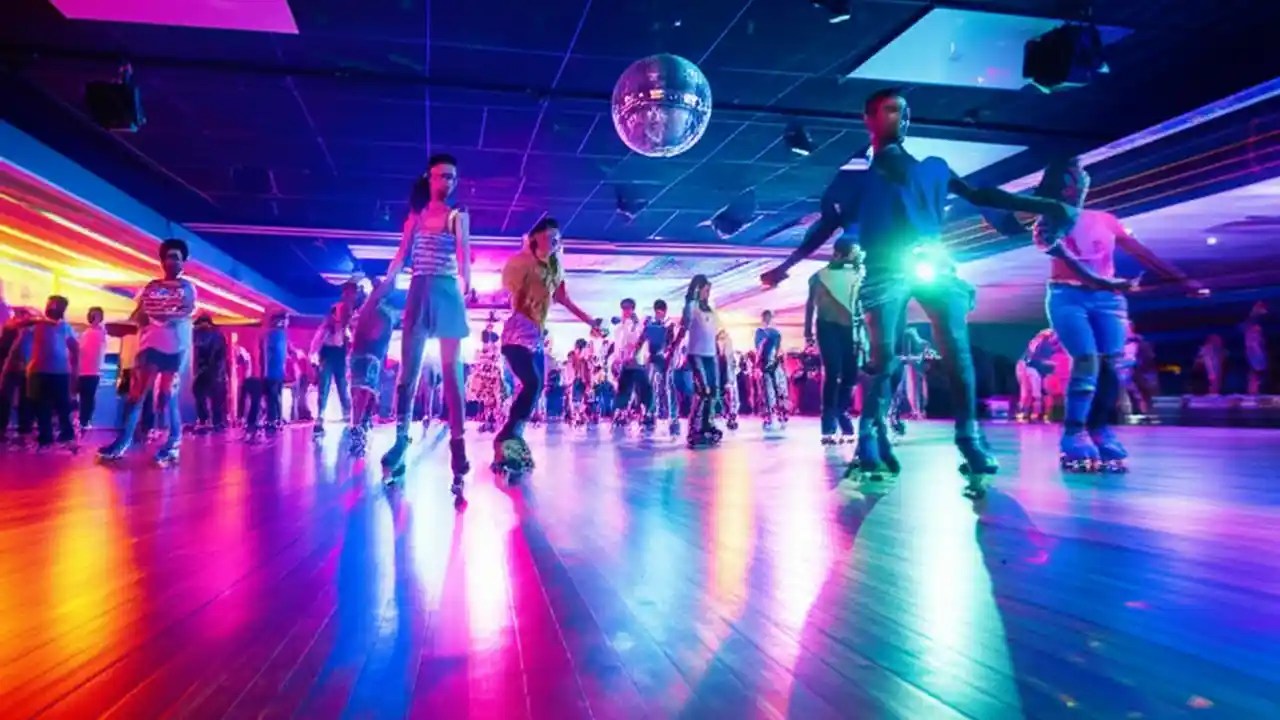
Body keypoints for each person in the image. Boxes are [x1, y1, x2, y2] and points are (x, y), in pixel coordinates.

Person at [761, 88, 1078, 477]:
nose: (903, 118)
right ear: (869, 118)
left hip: (932, 264)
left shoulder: (932, 168)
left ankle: (970, 440)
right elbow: (826, 224)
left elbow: (981, 194)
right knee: (884, 359)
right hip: (884, 269)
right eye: (893, 111)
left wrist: (1044, 204)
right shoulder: (856, 174)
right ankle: (869, 439)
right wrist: (786, 266)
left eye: (906, 113)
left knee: (957, 352)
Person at [1033, 156, 1196, 469]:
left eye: (1082, 177)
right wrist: (1104, 281)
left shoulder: (1105, 219)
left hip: (1108, 301)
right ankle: (1073, 433)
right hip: (1068, 296)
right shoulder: (1048, 219)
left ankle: (1100, 428)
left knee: (1111, 365)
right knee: (1086, 360)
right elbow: (1070, 262)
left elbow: (1140, 251)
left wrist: (1181, 278)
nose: (1080, 183)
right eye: (1073, 179)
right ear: (1061, 186)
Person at [379, 155, 473, 482]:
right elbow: (401, 255)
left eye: (451, 178)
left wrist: (467, 283)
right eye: (441, 176)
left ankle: (458, 443)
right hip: (419, 289)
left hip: (447, 291)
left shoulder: (457, 215)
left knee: (452, 372)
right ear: (429, 179)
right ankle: (401, 439)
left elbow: (463, 252)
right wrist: (385, 284)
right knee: (409, 372)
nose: (447, 182)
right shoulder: (415, 218)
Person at [494, 218, 603, 473]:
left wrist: (590, 321)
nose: (556, 240)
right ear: (536, 238)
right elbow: (510, 288)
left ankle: (513, 437)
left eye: (558, 237)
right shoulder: (523, 263)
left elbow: (564, 299)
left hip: (536, 337)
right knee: (531, 383)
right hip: (515, 335)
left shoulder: (555, 269)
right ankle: (506, 436)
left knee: (536, 387)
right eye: (550, 236)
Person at [99, 239, 197, 464]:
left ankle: (173, 444)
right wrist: (134, 321)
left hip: (176, 348)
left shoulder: (187, 288)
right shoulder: (151, 288)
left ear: (183, 263)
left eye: (177, 258)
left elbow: (184, 311)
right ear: (162, 261)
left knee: (167, 395)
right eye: (169, 257)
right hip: (150, 346)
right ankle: (121, 443)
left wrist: (164, 313)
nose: (173, 261)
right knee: (136, 395)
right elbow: (140, 316)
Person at [804, 239, 864, 445]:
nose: (854, 257)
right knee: (833, 371)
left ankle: (842, 412)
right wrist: (807, 333)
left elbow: (859, 304)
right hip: (826, 326)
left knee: (851, 374)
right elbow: (810, 305)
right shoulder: (820, 276)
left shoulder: (857, 275)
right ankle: (828, 423)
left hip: (849, 330)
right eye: (852, 253)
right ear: (838, 254)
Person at [669, 275, 723, 448]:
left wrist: (718, 349)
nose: (708, 293)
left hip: (711, 354)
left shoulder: (711, 309)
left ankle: (708, 424)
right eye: (706, 290)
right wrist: (673, 349)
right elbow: (683, 329)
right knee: (703, 391)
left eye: (709, 290)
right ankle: (694, 428)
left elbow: (713, 332)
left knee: (714, 391)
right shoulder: (691, 307)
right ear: (698, 289)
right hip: (696, 354)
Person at [346, 276, 397, 456]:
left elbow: (380, 335)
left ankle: (359, 427)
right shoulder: (375, 309)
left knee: (363, 394)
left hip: (369, 354)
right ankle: (358, 428)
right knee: (362, 393)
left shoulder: (378, 309)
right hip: (366, 354)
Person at [25, 295, 80, 450]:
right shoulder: (37, 324)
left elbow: (75, 348)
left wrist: (75, 369)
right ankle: (46, 438)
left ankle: (67, 436)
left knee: (63, 406)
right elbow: (21, 327)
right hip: (39, 370)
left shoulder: (65, 326)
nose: (50, 307)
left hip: (60, 372)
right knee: (41, 406)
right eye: (50, 304)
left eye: (55, 305)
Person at [612, 298, 654, 429]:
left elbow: (639, 339)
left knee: (643, 388)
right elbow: (618, 345)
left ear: (633, 309)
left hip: (637, 362)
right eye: (624, 308)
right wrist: (616, 359)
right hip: (625, 363)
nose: (626, 310)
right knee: (624, 389)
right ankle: (621, 413)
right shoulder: (620, 327)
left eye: (628, 308)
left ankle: (646, 412)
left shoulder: (637, 324)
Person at [641, 299, 679, 434]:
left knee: (668, 387)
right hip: (655, 358)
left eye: (661, 311)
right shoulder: (651, 324)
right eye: (658, 311)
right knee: (655, 387)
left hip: (664, 359)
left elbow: (670, 342)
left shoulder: (668, 325)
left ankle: (672, 418)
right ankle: (652, 414)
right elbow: (644, 339)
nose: (659, 314)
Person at [0, 307, 35, 444]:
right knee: (7, 398)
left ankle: (22, 430)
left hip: (21, 368)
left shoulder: (28, 330)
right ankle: (19, 430)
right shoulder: (13, 328)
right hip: (14, 367)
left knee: (20, 400)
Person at [192, 313, 229, 431]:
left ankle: (204, 420)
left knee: (199, 393)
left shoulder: (198, 335)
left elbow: (199, 352)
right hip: (216, 371)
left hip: (205, 371)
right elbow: (223, 354)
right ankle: (217, 422)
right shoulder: (218, 335)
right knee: (216, 398)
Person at [755, 310, 788, 430]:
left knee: (771, 392)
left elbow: (760, 349)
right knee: (775, 391)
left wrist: (757, 365)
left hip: (770, 364)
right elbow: (762, 349)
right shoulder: (766, 333)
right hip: (771, 364)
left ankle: (773, 416)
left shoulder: (765, 333)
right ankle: (777, 416)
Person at [1016, 329, 1059, 422]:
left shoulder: (1047, 345)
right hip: (1028, 367)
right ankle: (1029, 413)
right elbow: (1036, 359)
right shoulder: (1041, 343)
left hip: (1031, 368)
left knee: (1034, 393)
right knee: (1031, 393)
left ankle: (1032, 413)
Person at [76, 306, 107, 432]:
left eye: (97, 315)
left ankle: (85, 421)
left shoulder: (101, 332)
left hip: (93, 371)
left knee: (89, 397)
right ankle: (80, 420)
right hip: (81, 370)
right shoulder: (85, 333)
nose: (94, 317)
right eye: (92, 315)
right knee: (81, 396)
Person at [260, 311, 290, 432]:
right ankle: (273, 419)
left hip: (276, 372)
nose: (287, 323)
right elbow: (268, 355)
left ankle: (275, 419)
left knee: (275, 396)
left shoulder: (279, 335)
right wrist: (266, 372)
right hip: (273, 372)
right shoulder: (274, 335)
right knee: (274, 396)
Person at [715, 328, 739, 430]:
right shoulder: (719, 353)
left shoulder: (727, 354)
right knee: (725, 395)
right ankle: (726, 415)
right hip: (722, 374)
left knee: (729, 395)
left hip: (726, 375)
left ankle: (729, 416)